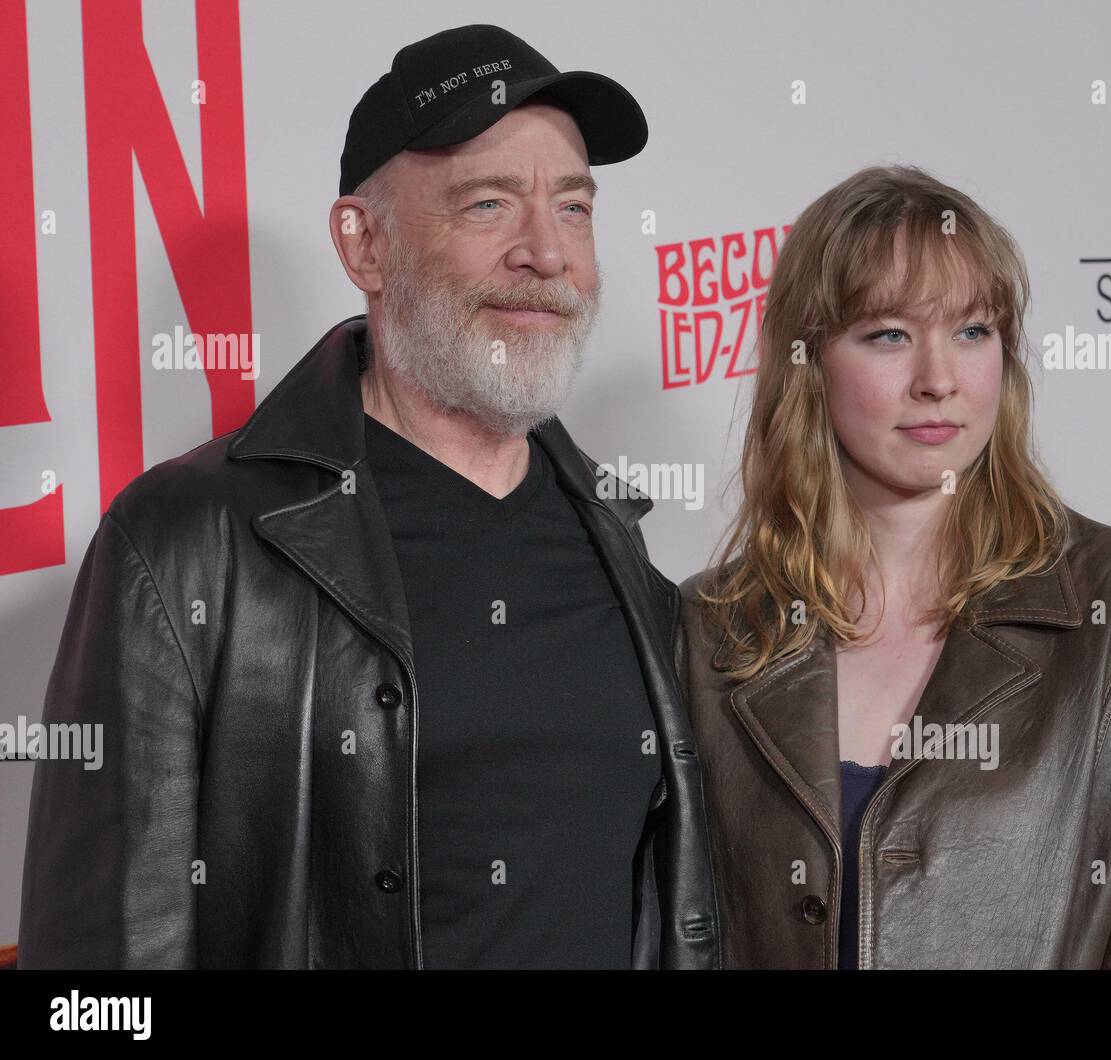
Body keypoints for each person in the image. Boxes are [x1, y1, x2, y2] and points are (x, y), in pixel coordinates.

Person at [19, 24, 718, 970]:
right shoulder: (185, 540)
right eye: (487, 206)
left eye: (575, 208)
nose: (546, 254)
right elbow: (98, 967)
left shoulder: (622, 546)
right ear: (365, 243)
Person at [674, 163, 1111, 969]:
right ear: (809, 361)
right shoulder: (706, 632)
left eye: (973, 331)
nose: (938, 381)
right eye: (889, 334)